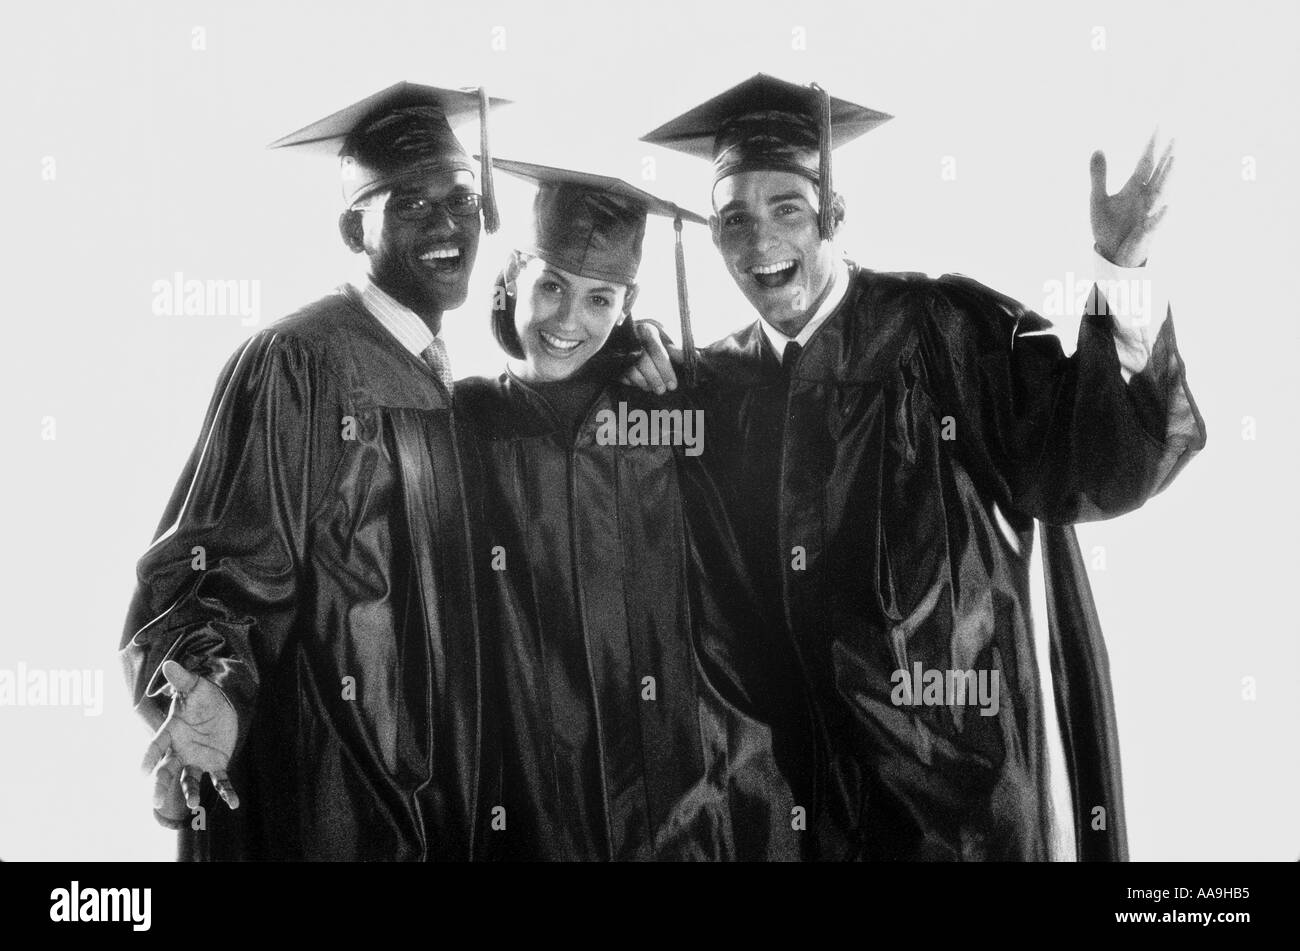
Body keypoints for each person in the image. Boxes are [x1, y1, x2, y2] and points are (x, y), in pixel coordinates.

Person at [627, 73, 1207, 860]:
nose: (759, 242)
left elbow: (1088, 460)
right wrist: (629, 360)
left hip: (960, 798)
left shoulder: (937, 330)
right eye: (733, 219)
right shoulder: (721, 384)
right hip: (809, 805)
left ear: (833, 213)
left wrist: (1121, 268)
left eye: (786, 208)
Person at [120, 82, 509, 860]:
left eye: (461, 200)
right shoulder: (299, 361)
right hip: (324, 800)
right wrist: (213, 685)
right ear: (352, 227)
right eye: (410, 205)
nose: (446, 224)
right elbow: (220, 565)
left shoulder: (436, 378)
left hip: (425, 802)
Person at [455, 159, 798, 860]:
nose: (567, 319)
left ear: (626, 305)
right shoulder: (466, 420)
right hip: (535, 794)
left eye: (599, 299)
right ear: (515, 270)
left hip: (687, 793)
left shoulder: (664, 411)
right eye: (551, 285)